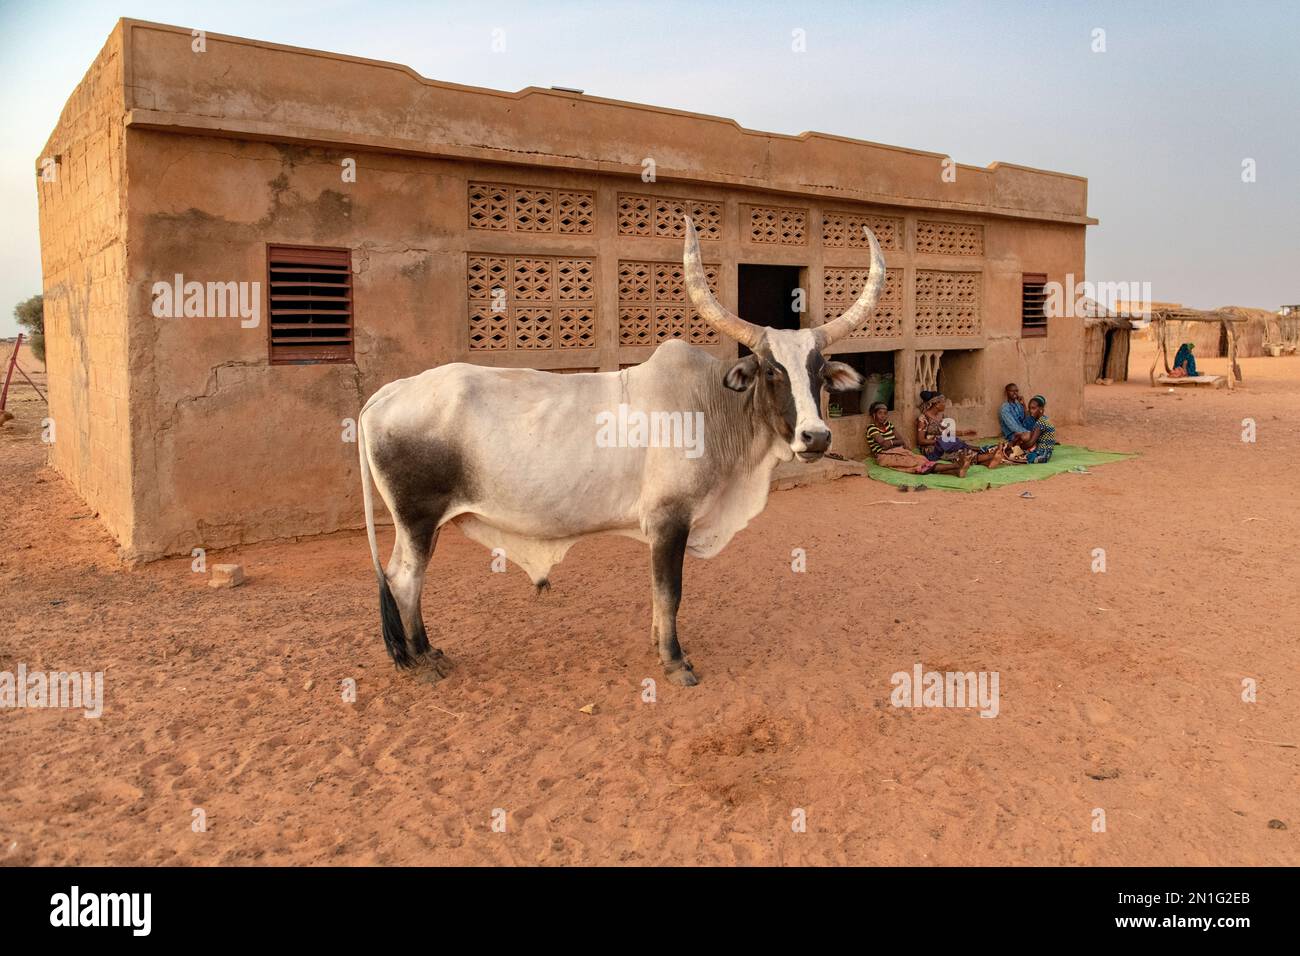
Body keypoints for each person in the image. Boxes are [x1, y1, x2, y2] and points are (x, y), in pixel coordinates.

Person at [866, 402, 972, 476]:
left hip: (898, 451)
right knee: (915, 464)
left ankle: (956, 471)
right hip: (884, 456)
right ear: (874, 414)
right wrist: (893, 442)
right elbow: (884, 445)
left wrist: (891, 442)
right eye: (880, 413)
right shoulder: (871, 428)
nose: (883, 416)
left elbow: (901, 441)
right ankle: (956, 465)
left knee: (922, 460)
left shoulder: (889, 424)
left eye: (885, 413)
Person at [915, 391, 1003, 468]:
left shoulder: (940, 417)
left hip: (944, 444)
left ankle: (987, 462)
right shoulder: (923, 418)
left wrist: (964, 433)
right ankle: (989, 457)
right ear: (937, 404)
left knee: (962, 446)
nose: (945, 405)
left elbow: (948, 432)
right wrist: (940, 441)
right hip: (932, 448)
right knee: (958, 453)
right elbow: (921, 441)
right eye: (943, 403)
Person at [999, 383, 1040, 449]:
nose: (1015, 393)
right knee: (1027, 436)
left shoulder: (1018, 405)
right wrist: (1030, 432)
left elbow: (1026, 420)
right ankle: (1036, 440)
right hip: (1013, 434)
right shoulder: (1005, 408)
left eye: (1016, 391)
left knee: (1041, 421)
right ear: (1007, 392)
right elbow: (1014, 428)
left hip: (1023, 430)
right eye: (1012, 391)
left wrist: (1024, 405)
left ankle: (1035, 439)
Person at [1024, 395, 1057, 463]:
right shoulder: (1044, 419)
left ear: (1041, 409)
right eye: (1029, 408)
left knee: (1018, 458)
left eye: (1033, 408)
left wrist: (1019, 447)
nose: (1030, 411)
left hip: (1042, 455)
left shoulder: (1040, 423)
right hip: (1046, 453)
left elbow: (1030, 443)